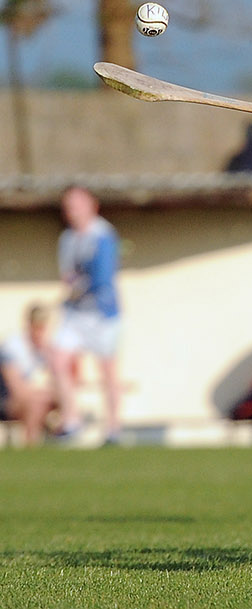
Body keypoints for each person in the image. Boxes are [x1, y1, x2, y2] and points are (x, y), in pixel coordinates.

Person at [48, 186, 123, 444]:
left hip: (102, 313)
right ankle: (72, 420)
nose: (73, 211)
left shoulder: (103, 235)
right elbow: (67, 274)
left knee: (107, 370)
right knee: (58, 359)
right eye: (69, 206)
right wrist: (70, 288)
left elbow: (102, 277)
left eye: (78, 204)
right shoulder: (67, 239)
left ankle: (113, 428)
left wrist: (79, 287)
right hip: (76, 313)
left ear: (92, 205)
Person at [1, 302, 57, 445]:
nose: (40, 331)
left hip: (33, 396)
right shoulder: (12, 346)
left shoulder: (44, 348)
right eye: (37, 326)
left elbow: (60, 381)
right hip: (6, 401)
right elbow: (18, 390)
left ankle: (57, 441)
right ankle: (32, 446)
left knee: (59, 400)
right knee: (36, 403)